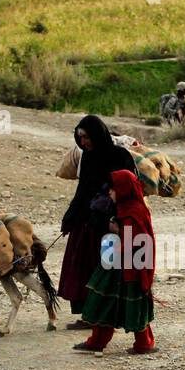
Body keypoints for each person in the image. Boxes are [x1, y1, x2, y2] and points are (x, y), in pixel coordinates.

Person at [57, 115, 136, 330]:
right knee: (82, 269)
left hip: (110, 224)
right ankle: (88, 316)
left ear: (96, 135)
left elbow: (129, 190)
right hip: (87, 223)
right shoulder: (88, 157)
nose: (83, 142)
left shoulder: (120, 156)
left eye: (86, 137)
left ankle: (107, 316)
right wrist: (70, 218)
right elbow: (82, 191)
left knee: (107, 270)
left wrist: (115, 216)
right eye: (79, 138)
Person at [73, 169, 157, 354]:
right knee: (108, 301)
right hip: (119, 265)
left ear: (124, 189)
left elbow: (137, 242)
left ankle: (143, 344)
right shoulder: (126, 208)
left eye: (113, 189)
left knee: (127, 303)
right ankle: (99, 341)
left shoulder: (134, 212)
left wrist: (117, 231)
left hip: (130, 269)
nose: (110, 193)